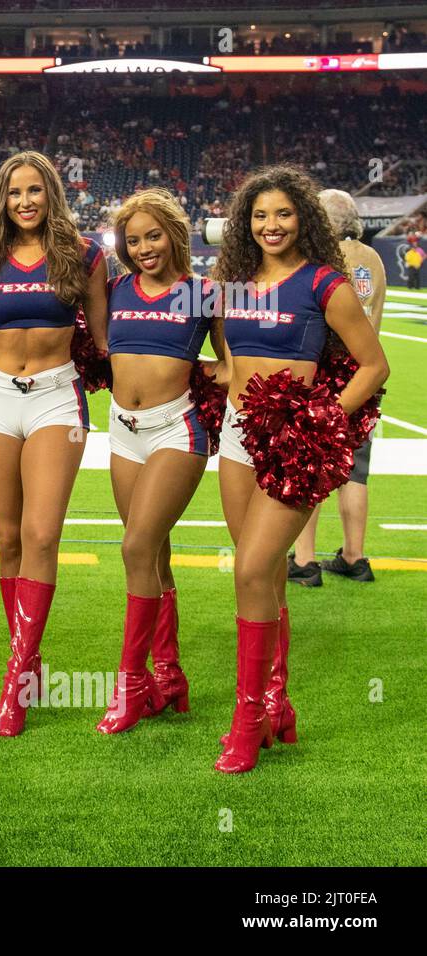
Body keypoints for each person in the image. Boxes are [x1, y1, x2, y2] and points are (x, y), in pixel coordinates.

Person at [212, 165, 388, 773]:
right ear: (245, 223)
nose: (271, 225)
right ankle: (275, 701)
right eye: (260, 215)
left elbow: (374, 366)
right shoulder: (232, 281)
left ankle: (247, 718)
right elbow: (229, 354)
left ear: (303, 218)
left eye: (283, 214)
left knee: (253, 566)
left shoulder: (325, 283)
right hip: (239, 436)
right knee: (258, 577)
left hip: (297, 443)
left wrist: (319, 422)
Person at [0, 150, 108, 737]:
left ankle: (15, 679)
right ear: (1, 200)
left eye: (35, 190)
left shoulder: (84, 255)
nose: (26, 201)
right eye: (15, 193)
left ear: (52, 194)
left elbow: (108, 336)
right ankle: (28, 660)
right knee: (8, 536)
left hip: (57, 395)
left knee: (41, 534)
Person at [94, 188, 226, 733]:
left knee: (134, 547)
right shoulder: (114, 289)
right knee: (156, 559)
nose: (144, 247)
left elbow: (230, 366)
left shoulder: (203, 293)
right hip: (124, 434)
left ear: (175, 234)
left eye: (153, 236)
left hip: (178, 429)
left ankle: (131, 686)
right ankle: (169, 675)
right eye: (133, 240)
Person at [289, 188, 386, 586]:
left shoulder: (322, 260)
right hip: (364, 375)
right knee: (355, 473)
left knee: (308, 467)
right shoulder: (374, 259)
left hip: (327, 374)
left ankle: (306, 561)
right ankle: (354, 556)